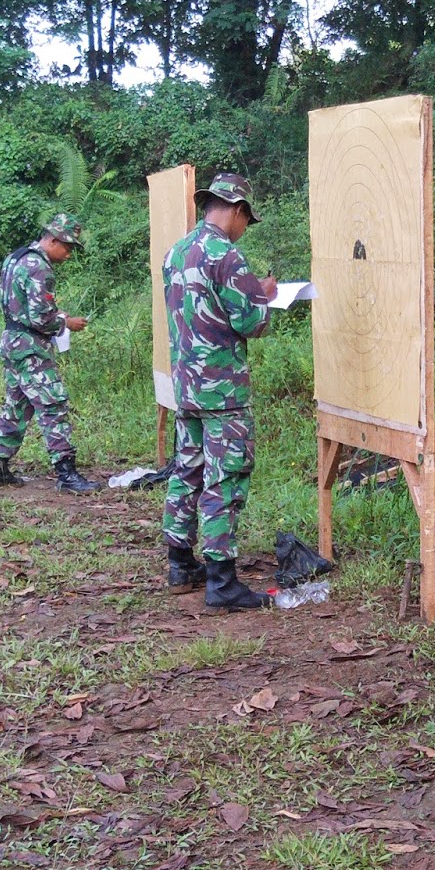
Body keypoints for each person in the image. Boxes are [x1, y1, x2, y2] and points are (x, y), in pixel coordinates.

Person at [160, 172, 278, 610]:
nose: (246, 227)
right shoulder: (226, 256)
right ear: (237, 210)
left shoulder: (177, 252)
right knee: (225, 476)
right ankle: (222, 581)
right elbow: (251, 322)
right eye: (248, 218)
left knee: (186, 471)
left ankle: (180, 563)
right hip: (223, 391)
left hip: (187, 386)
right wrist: (263, 296)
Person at [0, 213, 98, 493]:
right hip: (31, 349)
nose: (69, 254)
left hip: (12, 342)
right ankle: (66, 474)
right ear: (53, 240)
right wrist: (66, 322)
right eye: (67, 247)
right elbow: (41, 318)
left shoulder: (15, 258)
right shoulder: (40, 268)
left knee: (17, 405)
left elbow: (20, 307)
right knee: (53, 406)